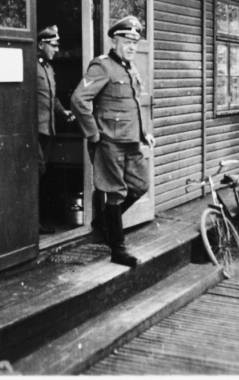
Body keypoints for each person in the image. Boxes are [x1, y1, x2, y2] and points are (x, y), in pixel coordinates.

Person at [70, 16, 155, 267]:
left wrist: (145, 132)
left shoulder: (130, 67)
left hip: (131, 139)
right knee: (116, 192)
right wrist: (93, 134)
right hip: (109, 141)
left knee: (140, 184)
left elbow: (135, 102)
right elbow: (78, 100)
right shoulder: (102, 66)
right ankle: (118, 249)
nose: (131, 47)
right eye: (127, 41)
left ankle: (105, 223)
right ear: (114, 40)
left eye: (135, 42)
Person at [37, 25, 75, 235]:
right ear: (41, 44)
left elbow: (51, 98)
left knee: (41, 174)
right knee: (36, 172)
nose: (56, 50)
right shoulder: (31, 66)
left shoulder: (49, 69)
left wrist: (63, 113)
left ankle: (37, 222)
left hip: (47, 130)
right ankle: (32, 224)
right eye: (53, 45)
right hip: (34, 131)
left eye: (57, 46)